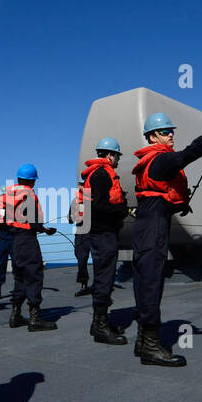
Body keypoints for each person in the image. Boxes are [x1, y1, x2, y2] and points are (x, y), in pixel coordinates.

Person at [132, 111, 202, 366]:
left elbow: (155, 196)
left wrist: (176, 205)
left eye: (171, 130)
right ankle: (151, 346)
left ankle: (142, 341)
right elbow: (190, 153)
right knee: (151, 283)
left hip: (147, 222)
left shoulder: (149, 163)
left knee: (144, 281)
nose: (170, 134)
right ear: (151, 137)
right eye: (165, 132)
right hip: (154, 228)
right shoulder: (160, 159)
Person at [78, 137, 130, 344]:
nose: (117, 159)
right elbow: (98, 206)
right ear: (110, 155)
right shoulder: (101, 175)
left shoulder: (96, 174)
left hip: (102, 232)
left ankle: (101, 322)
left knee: (105, 275)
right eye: (117, 155)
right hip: (103, 234)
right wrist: (122, 210)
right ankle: (100, 326)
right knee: (104, 277)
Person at [0, 164, 59, 331]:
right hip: (27, 240)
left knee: (19, 276)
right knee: (34, 275)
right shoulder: (29, 195)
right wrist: (45, 230)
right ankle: (34, 318)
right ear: (32, 181)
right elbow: (34, 222)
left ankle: (15, 314)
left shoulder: (6, 196)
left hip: (13, 240)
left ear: (18, 179)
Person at [70, 185, 92, 297]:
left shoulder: (92, 198)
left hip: (92, 230)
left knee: (96, 257)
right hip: (80, 231)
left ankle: (99, 284)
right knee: (80, 257)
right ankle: (84, 284)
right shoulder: (75, 201)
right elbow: (70, 219)